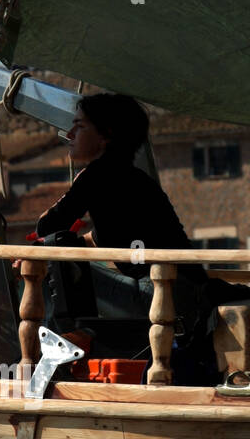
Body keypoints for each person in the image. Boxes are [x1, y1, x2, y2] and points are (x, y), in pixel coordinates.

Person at [31, 92, 207, 332]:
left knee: (51, 267)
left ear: (106, 135)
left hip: (158, 298)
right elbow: (105, 236)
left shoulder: (96, 176)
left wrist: (79, 183)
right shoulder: (134, 178)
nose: (69, 135)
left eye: (79, 127)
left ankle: (61, 349)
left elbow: (46, 227)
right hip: (188, 296)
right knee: (55, 262)